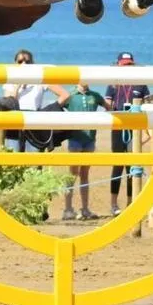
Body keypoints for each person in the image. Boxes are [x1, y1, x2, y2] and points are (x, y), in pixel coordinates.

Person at [104, 52, 150, 216]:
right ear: (118, 65)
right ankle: (114, 204)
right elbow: (107, 104)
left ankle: (131, 202)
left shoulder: (141, 84)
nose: (127, 67)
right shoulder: (113, 84)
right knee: (117, 165)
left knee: (133, 166)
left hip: (135, 128)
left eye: (130, 64)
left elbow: (148, 104)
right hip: (118, 127)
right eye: (124, 65)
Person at [0, 49, 70, 152]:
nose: (24, 64)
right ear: (15, 63)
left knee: (33, 162)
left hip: (34, 123)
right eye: (20, 61)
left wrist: (48, 110)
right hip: (14, 122)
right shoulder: (10, 81)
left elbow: (65, 95)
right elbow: (9, 103)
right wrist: (18, 85)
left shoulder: (40, 79)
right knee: (13, 161)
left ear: (32, 63)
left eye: (27, 62)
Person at [61, 83, 106, 220]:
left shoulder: (95, 95)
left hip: (90, 139)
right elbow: (57, 107)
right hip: (75, 139)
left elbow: (109, 107)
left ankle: (85, 209)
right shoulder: (71, 95)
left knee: (85, 175)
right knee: (72, 174)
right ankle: (68, 209)